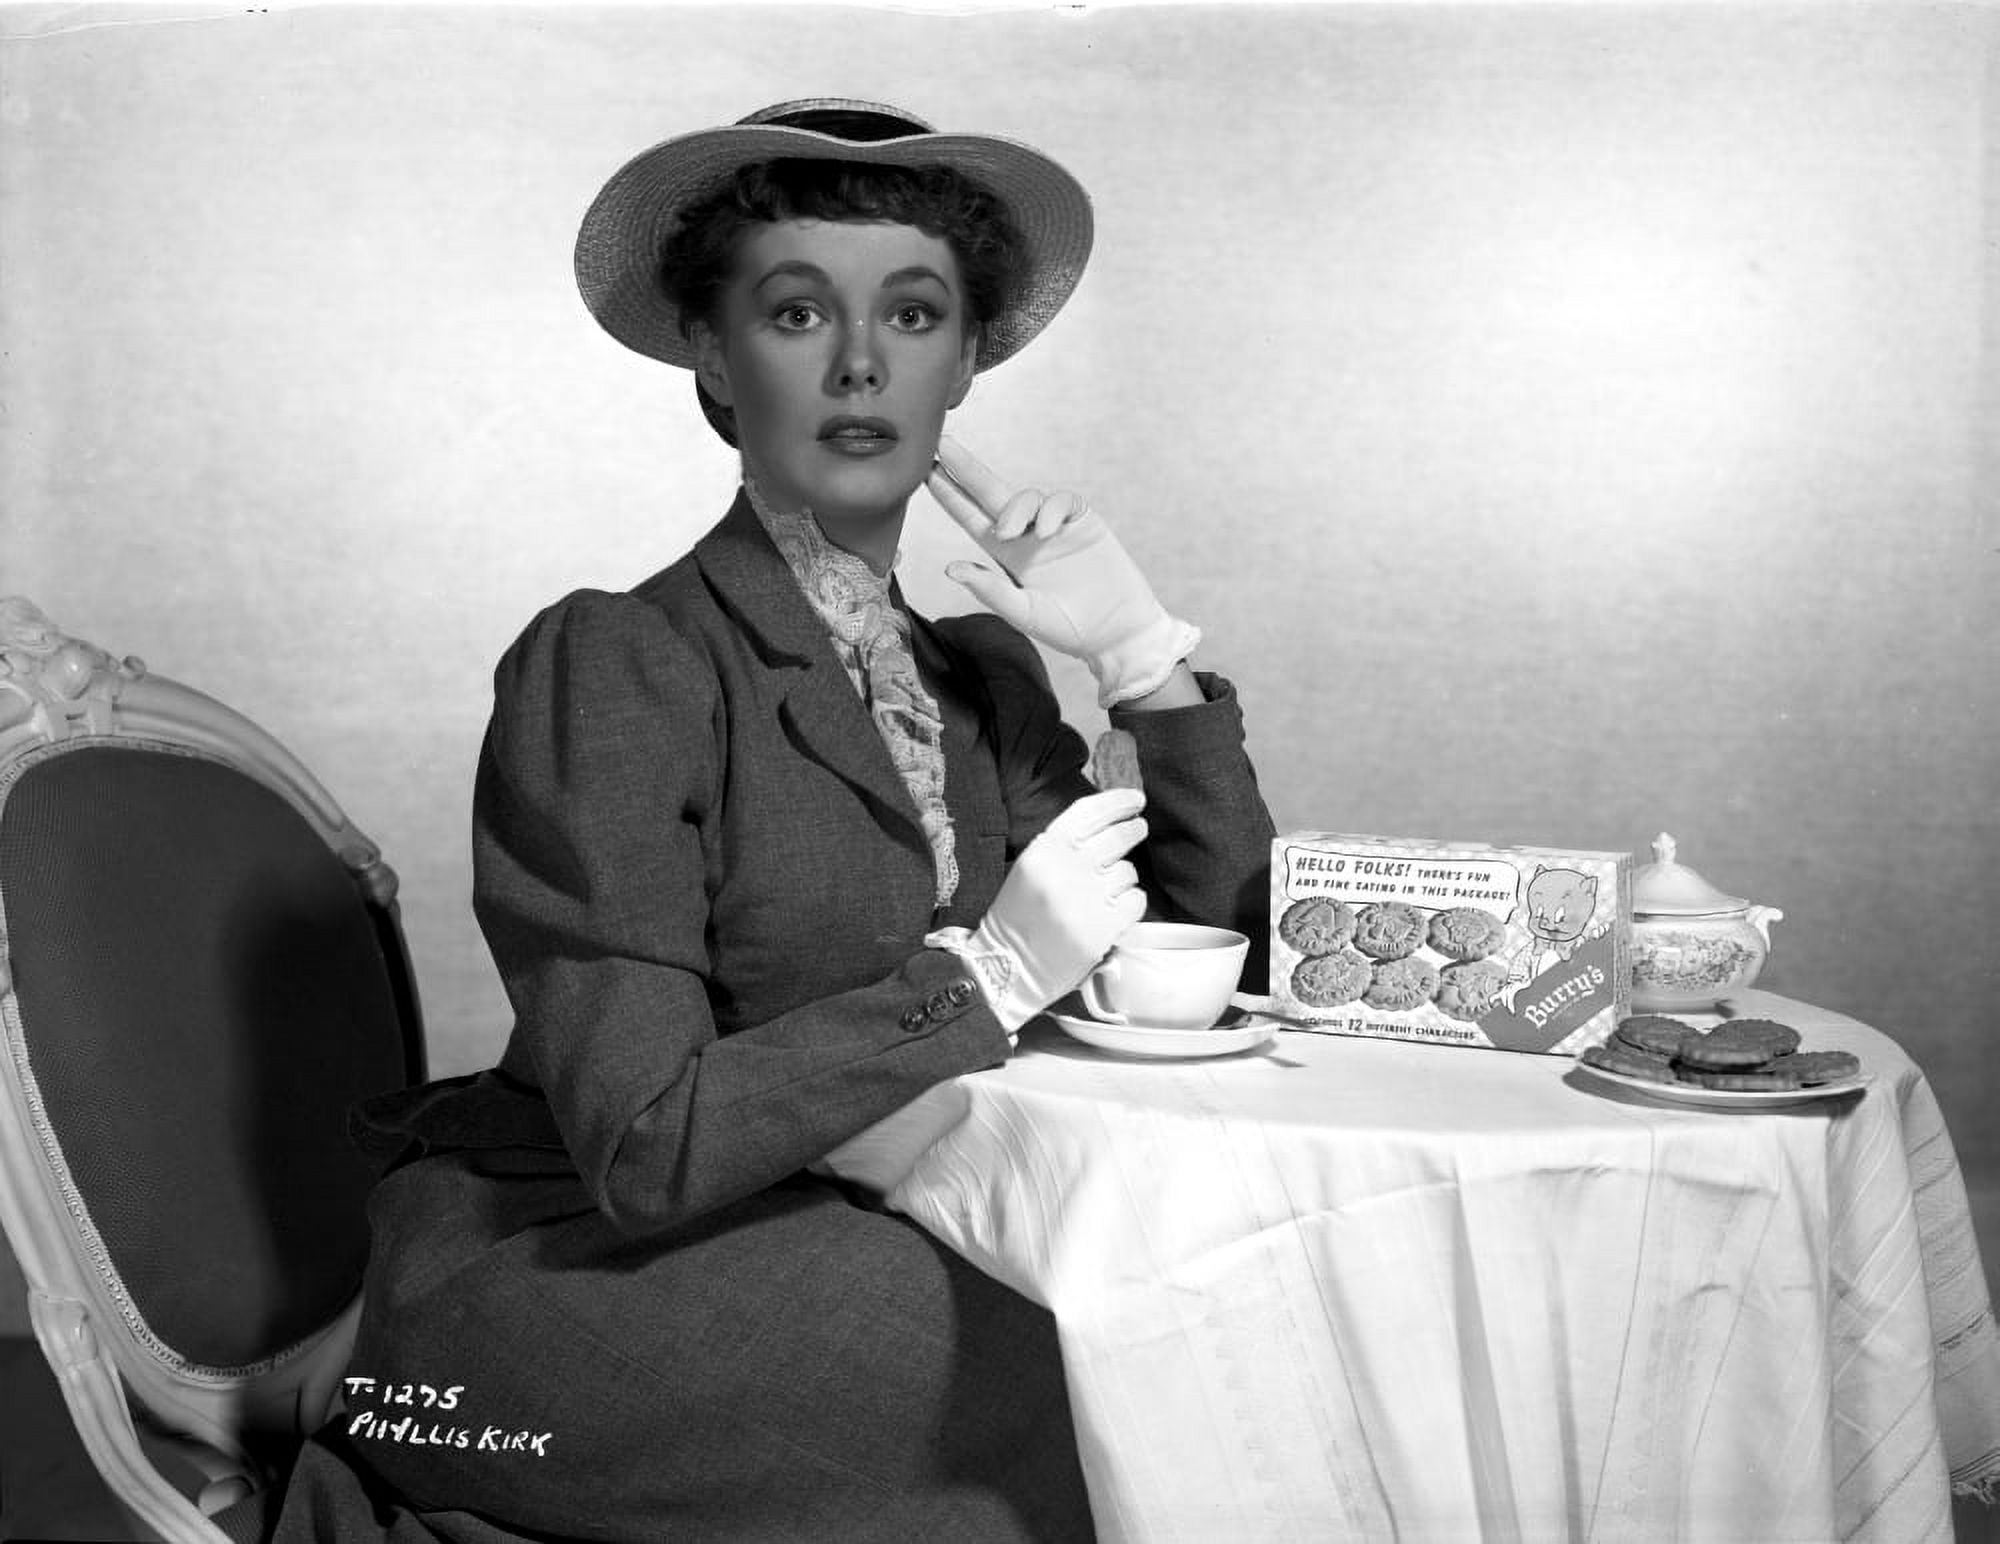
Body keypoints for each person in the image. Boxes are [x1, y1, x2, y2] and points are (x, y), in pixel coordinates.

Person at [275, 98, 1274, 1542]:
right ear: (714, 359)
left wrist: (1144, 666)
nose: (863, 361)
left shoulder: (978, 677)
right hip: (588, 1256)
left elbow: (1207, 964)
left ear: (967, 364)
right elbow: (646, 1143)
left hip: (895, 1208)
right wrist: (984, 977)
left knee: (1213, 1327)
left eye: (916, 314)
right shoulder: (617, 660)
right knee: (1114, 1385)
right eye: (797, 311)